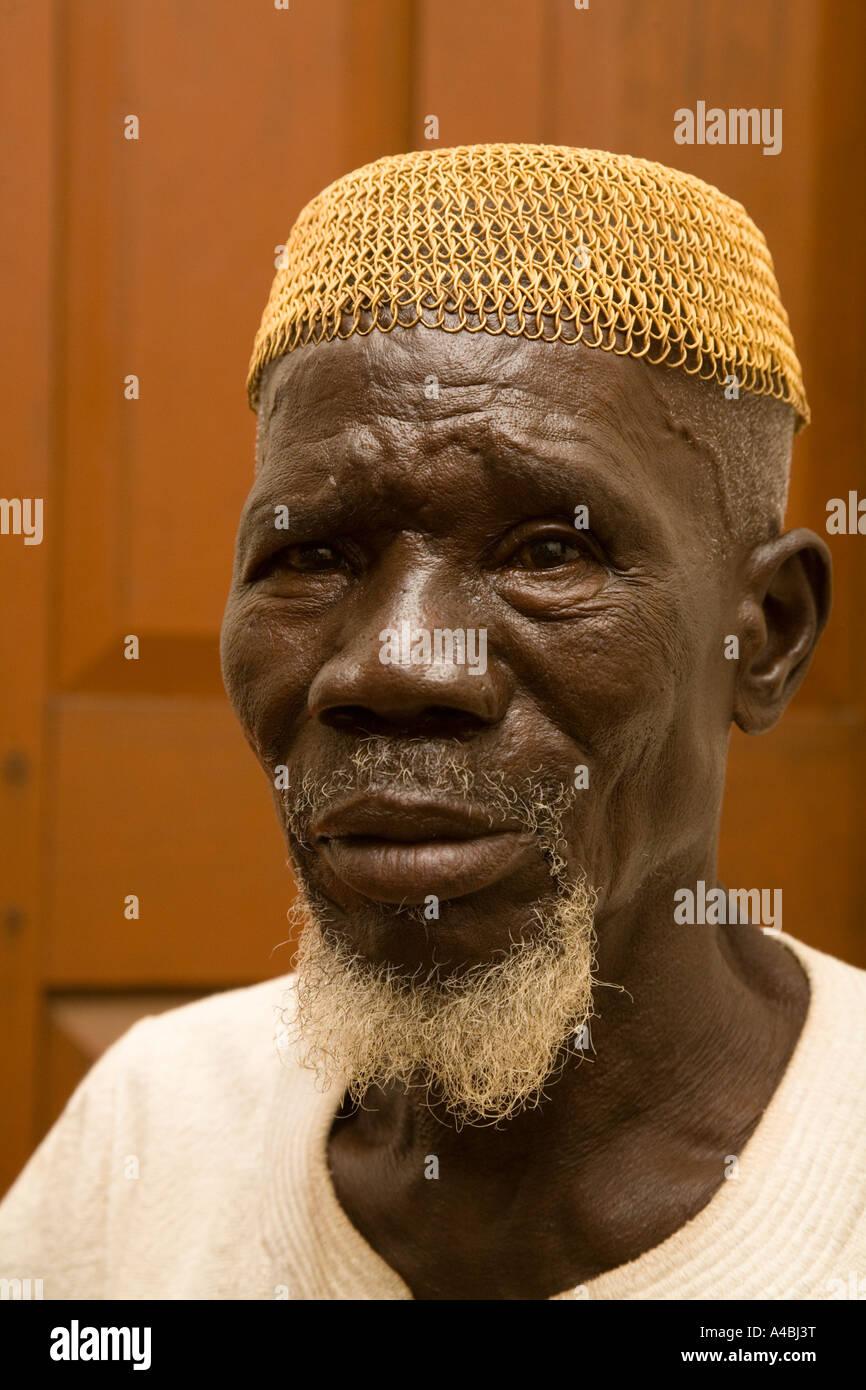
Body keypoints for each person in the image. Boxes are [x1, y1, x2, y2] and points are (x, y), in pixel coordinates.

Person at [1, 143, 863, 1301]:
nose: (395, 663)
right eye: (310, 556)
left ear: (760, 633)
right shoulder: (151, 1134)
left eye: (548, 552)